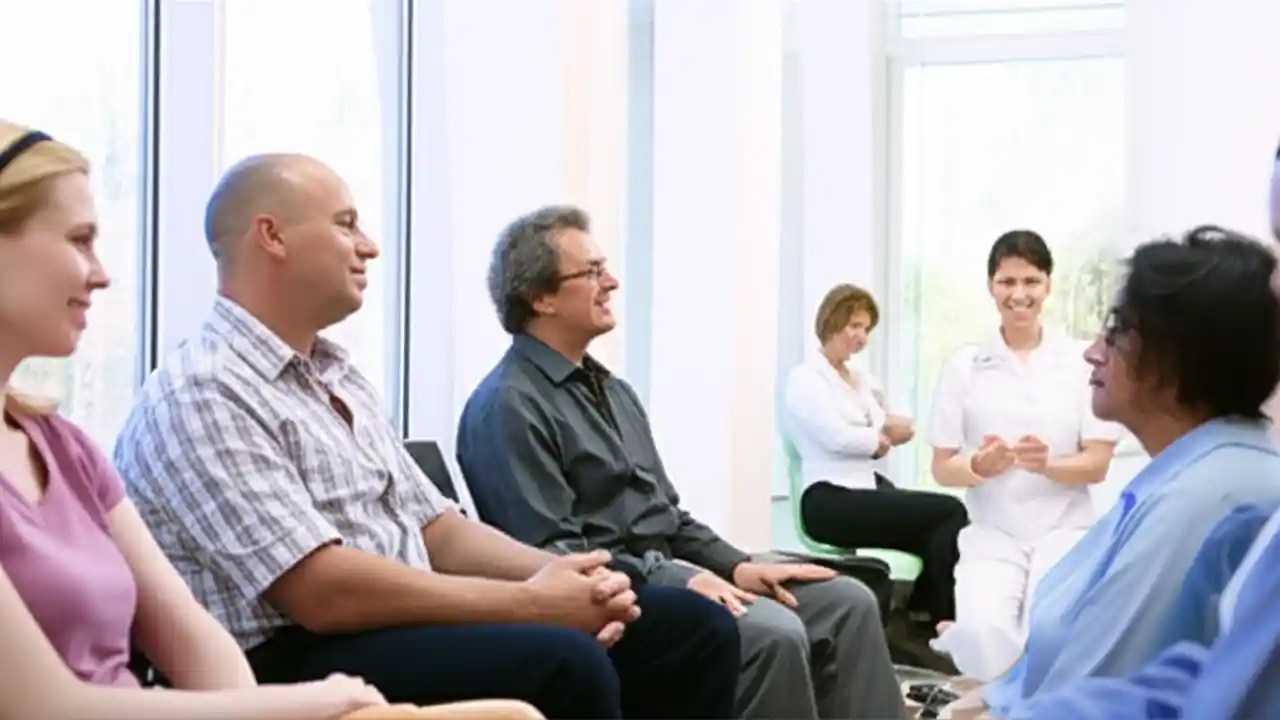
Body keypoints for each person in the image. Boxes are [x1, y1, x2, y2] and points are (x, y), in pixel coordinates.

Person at [112, 156, 741, 720]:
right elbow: (319, 591)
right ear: (272, 236)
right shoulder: (205, 389)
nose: (370, 246)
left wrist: (568, 577)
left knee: (686, 626)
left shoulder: (336, 374)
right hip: (291, 652)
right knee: (560, 659)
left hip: (392, 621)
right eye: (346, 223)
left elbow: (436, 528)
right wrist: (530, 603)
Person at [0, 123, 391, 718]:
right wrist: (315, 702)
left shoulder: (67, 449)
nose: (101, 274)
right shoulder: (199, 389)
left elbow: (195, 641)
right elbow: (47, 708)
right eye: (80, 240)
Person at [457, 205, 907, 720]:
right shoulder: (506, 407)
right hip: (612, 599)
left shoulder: (615, 392)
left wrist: (736, 564)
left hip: (664, 573)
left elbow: (670, 518)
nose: (613, 282)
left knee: (846, 602)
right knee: (773, 633)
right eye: (593, 272)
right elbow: (557, 558)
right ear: (540, 298)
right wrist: (679, 578)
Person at [979, 226, 1280, 718]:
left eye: (1117, 331)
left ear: (1176, 355)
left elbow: (1099, 687)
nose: (1093, 351)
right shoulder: (1191, 471)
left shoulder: (1206, 496)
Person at [926, 230, 1121, 680]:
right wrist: (979, 466)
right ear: (991, 286)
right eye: (1006, 282)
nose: (1019, 294)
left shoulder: (1080, 360)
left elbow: (1096, 462)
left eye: (1030, 282)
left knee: (1048, 629)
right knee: (983, 635)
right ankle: (966, 640)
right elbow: (942, 467)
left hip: (1065, 527)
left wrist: (1047, 464)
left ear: (1048, 285)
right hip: (995, 529)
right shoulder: (965, 365)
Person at [783, 283, 967, 624]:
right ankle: (931, 617)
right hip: (827, 498)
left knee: (944, 528)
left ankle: (925, 620)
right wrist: (882, 437)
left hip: (864, 487)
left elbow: (893, 421)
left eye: (866, 329)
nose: (861, 337)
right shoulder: (805, 380)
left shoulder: (860, 379)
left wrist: (889, 431)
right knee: (949, 511)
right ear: (831, 322)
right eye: (854, 326)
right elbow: (834, 437)